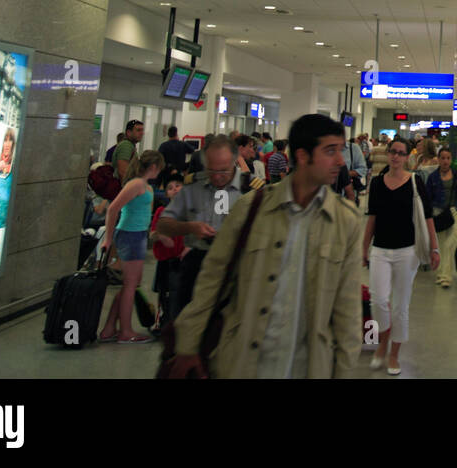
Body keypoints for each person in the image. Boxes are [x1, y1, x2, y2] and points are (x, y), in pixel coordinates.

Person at [166, 114, 363, 378]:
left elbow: (348, 312)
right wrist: (188, 344)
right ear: (303, 156)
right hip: (244, 362)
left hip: (307, 366)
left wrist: (345, 371)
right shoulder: (251, 209)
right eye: (330, 151)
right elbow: (212, 279)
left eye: (340, 150)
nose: (340, 161)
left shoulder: (345, 221)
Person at [363, 138, 438, 375]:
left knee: (400, 307)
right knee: (378, 300)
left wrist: (434, 248)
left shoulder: (416, 182)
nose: (395, 156)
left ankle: (393, 353)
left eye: (400, 153)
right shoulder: (376, 183)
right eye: (392, 152)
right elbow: (372, 218)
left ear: (408, 157)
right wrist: (363, 247)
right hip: (380, 250)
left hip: (408, 251)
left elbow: (428, 218)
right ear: (387, 154)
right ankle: (382, 342)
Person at [156, 135, 243, 318]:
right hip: (197, 265)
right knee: (184, 323)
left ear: (235, 162)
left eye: (224, 171)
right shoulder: (192, 187)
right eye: (212, 170)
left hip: (236, 268)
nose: (218, 176)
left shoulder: (250, 190)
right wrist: (190, 227)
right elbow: (163, 225)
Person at [100, 149, 164, 343]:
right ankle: (126, 331)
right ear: (153, 167)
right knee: (130, 285)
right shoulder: (136, 184)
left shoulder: (143, 185)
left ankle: (109, 328)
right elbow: (113, 208)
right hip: (130, 235)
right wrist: (108, 239)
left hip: (136, 234)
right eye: (159, 168)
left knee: (130, 285)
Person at [149, 172, 187, 330]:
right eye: (170, 188)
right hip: (165, 260)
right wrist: (161, 236)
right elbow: (152, 235)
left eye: (178, 185)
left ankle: (178, 322)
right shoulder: (161, 212)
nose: (175, 190)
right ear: (166, 193)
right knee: (165, 293)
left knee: (180, 293)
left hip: (182, 260)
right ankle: (164, 322)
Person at [426, 148, 457, 289]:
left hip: (454, 211)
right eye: (443, 158)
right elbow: (428, 199)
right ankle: (441, 274)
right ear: (438, 159)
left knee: (451, 243)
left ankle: (446, 277)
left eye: (448, 158)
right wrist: (428, 216)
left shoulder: (456, 175)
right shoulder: (432, 177)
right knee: (441, 244)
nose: (445, 161)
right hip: (438, 212)